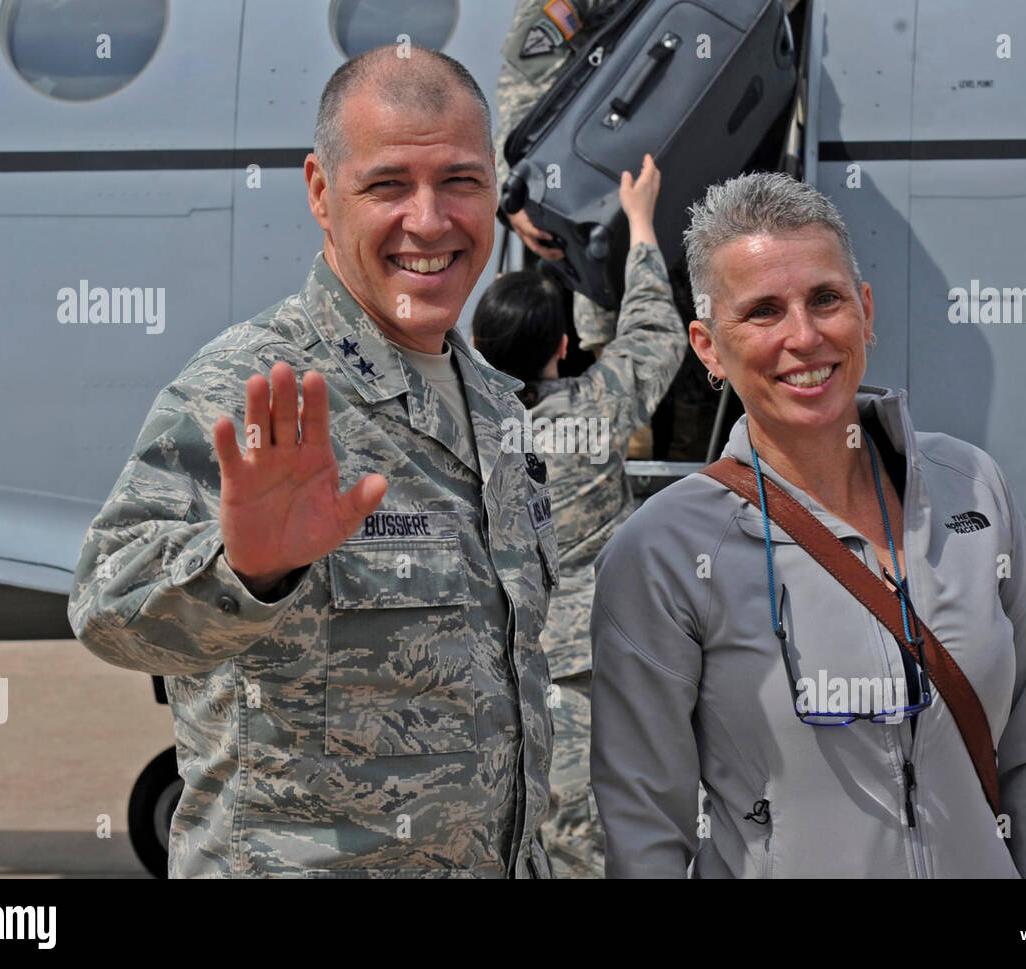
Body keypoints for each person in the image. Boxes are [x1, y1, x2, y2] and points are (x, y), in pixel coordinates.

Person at [67, 46, 559, 878]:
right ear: (322, 194)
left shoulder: (499, 408)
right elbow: (106, 604)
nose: (431, 220)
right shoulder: (254, 386)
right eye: (388, 185)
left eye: (462, 181)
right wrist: (246, 573)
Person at [588, 171, 1026, 877]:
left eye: (825, 298)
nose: (804, 335)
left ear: (865, 308)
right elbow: (646, 835)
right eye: (763, 311)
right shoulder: (664, 553)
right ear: (707, 347)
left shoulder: (973, 491)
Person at [472, 154, 686, 877]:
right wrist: (640, 227)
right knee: (582, 838)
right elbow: (655, 337)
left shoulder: (460, 432)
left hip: (491, 663)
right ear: (565, 346)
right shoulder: (596, 411)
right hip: (587, 665)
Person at [494, 0, 717, 461]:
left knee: (707, 350)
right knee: (616, 333)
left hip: (706, 175)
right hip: (605, 186)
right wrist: (512, 193)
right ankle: (626, 460)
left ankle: (694, 466)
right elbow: (524, 90)